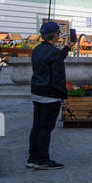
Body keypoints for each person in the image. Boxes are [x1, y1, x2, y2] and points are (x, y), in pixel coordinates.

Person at [28, 21, 76, 170]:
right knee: (46, 128)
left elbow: (52, 59)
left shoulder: (37, 50)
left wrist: (67, 48)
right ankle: (43, 159)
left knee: (36, 127)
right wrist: (64, 97)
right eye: (58, 33)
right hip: (50, 95)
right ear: (55, 35)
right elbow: (58, 78)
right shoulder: (53, 53)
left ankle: (32, 157)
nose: (59, 35)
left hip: (37, 93)